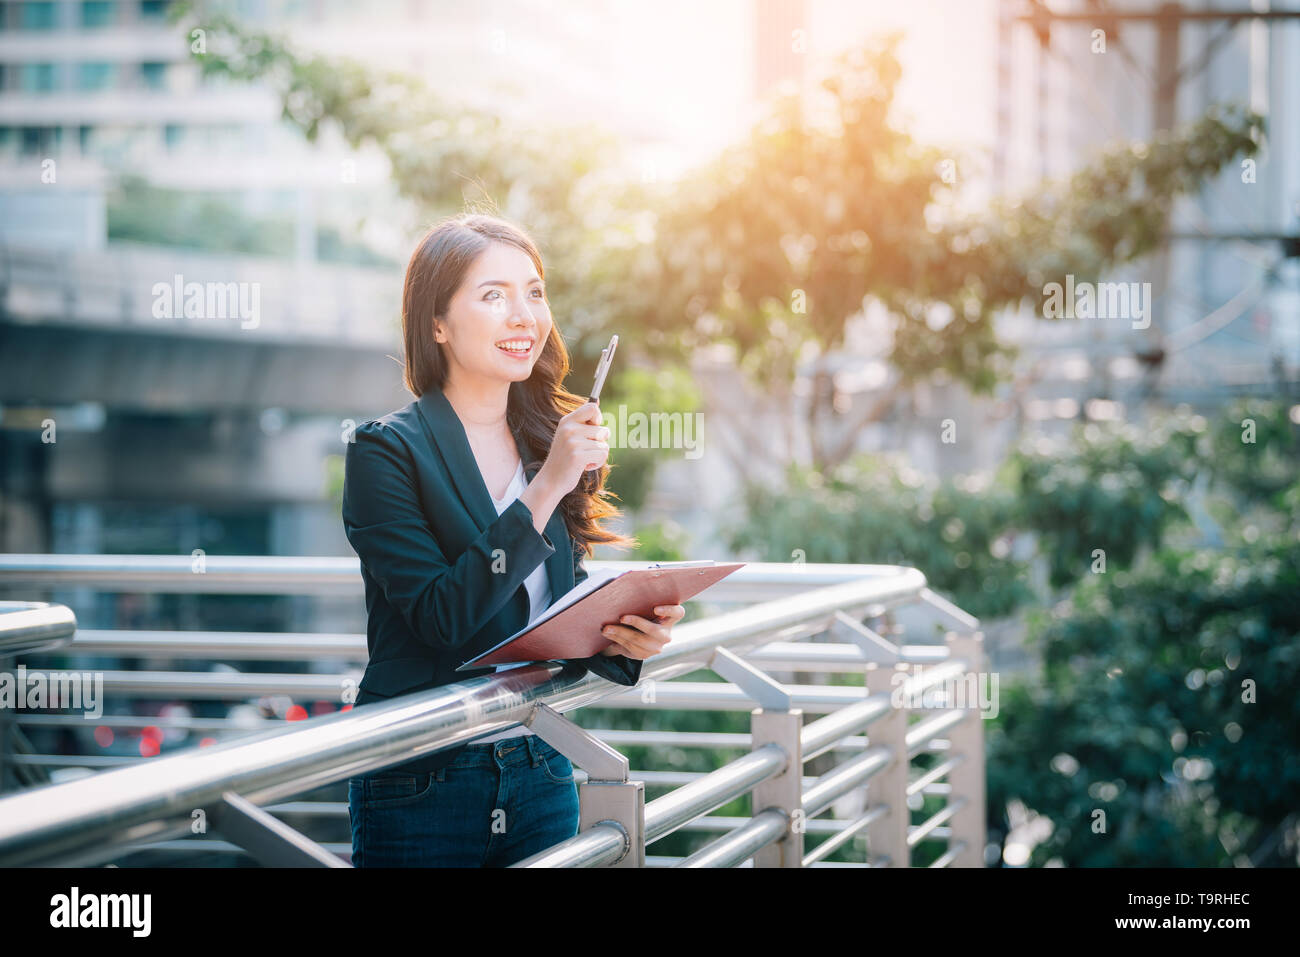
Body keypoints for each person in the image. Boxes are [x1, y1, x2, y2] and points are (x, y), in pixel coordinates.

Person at [342, 211, 684, 867]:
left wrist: (626, 635)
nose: (524, 314)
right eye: (493, 295)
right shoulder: (384, 452)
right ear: (436, 323)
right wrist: (549, 483)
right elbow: (443, 618)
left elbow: (547, 615)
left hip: (540, 764)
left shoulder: (543, 440)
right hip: (423, 778)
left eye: (534, 291)